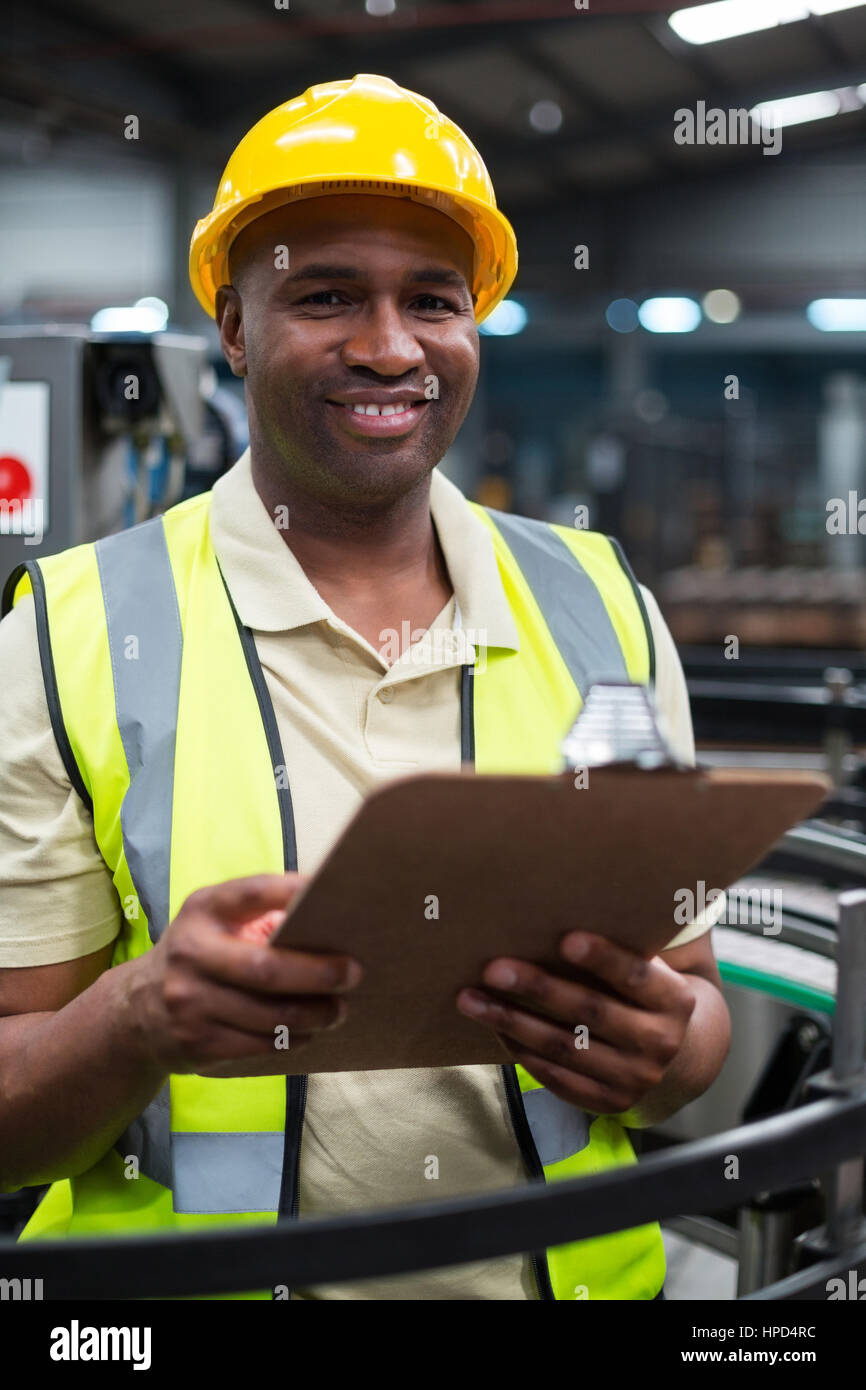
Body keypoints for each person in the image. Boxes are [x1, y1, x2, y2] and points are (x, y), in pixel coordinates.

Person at [0, 73, 730, 1300]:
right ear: (234, 328)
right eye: (325, 294)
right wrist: (136, 1016)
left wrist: (666, 1051)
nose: (389, 346)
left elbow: (691, 1013)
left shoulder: (603, 606)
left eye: (430, 300)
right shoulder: (70, 633)